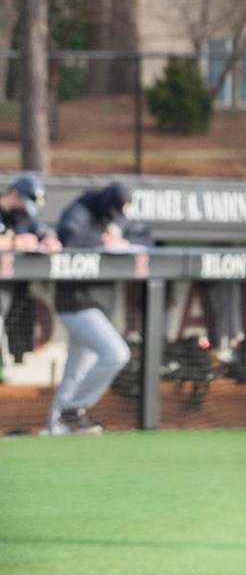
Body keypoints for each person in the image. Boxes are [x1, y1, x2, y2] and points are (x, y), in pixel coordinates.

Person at [47, 183, 140, 436]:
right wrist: (101, 240)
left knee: (76, 370)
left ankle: (56, 428)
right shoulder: (80, 211)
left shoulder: (114, 215)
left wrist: (122, 240)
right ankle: (72, 411)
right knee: (116, 353)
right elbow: (68, 237)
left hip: (98, 302)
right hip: (74, 300)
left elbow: (143, 236)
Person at [0, 175, 59, 369]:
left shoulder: (24, 216)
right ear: (14, 194)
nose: (25, 210)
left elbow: (45, 232)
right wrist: (15, 243)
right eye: (24, 203)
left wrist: (50, 240)